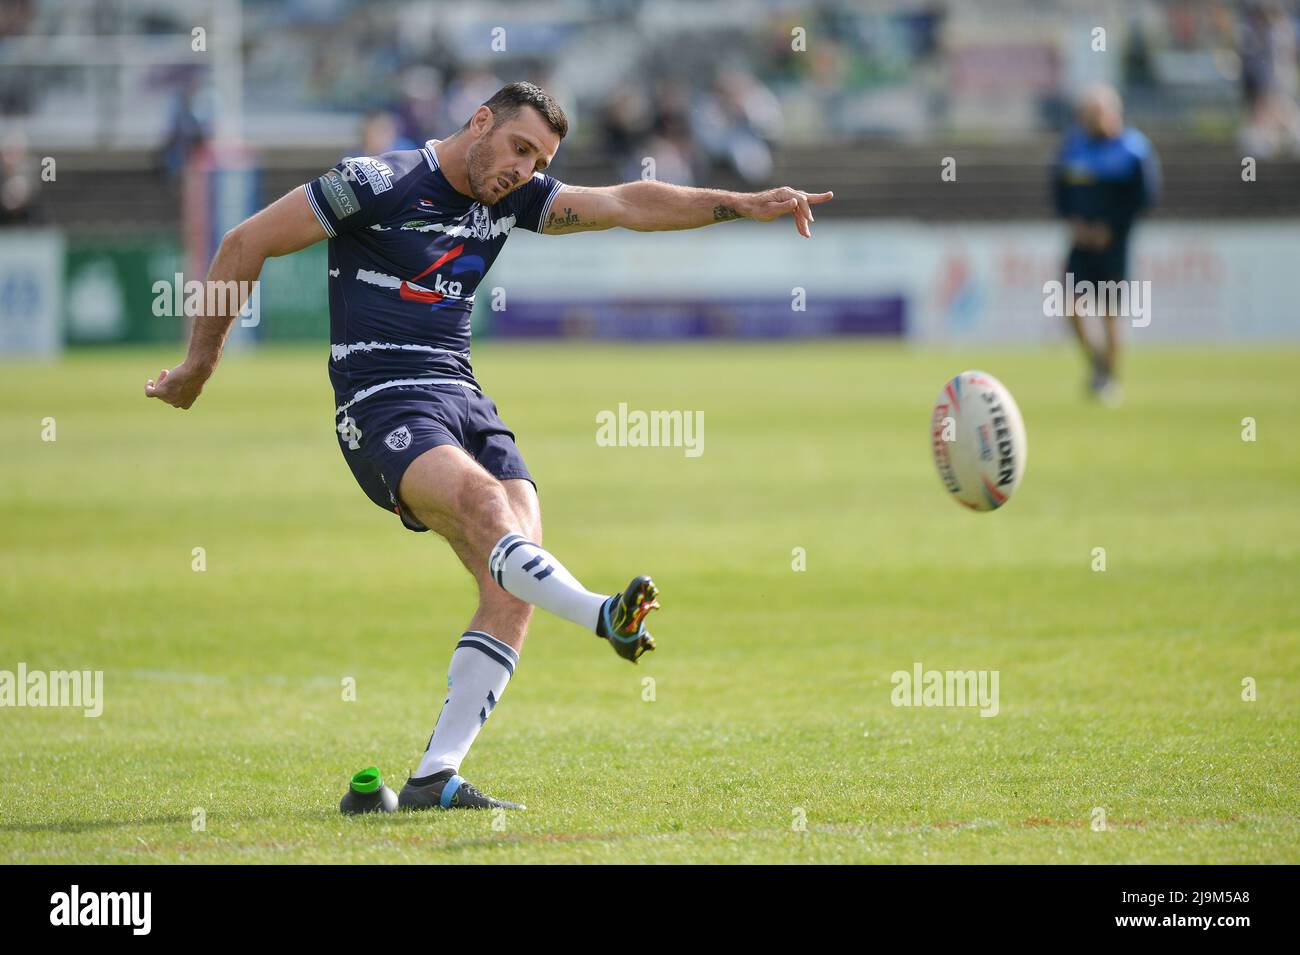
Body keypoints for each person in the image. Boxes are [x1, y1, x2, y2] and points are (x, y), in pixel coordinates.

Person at [144, 82, 832, 811]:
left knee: (516, 574)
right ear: (480, 122)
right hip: (381, 398)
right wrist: (197, 364)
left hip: (465, 397)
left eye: (540, 159)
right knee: (483, 505)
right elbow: (243, 243)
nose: (526, 170)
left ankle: (435, 775)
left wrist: (744, 204)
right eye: (519, 148)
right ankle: (605, 615)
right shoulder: (374, 183)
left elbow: (630, 203)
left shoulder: (512, 198)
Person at [1052, 84, 1160, 405]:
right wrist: (1074, 223)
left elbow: (1145, 198)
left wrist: (1111, 229)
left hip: (1114, 245)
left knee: (1110, 315)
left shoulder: (1133, 150)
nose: (1093, 119)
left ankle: (1109, 379)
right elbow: (1059, 191)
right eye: (1089, 113)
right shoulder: (1074, 147)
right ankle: (1098, 364)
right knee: (1071, 306)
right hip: (1081, 243)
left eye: (1099, 113)